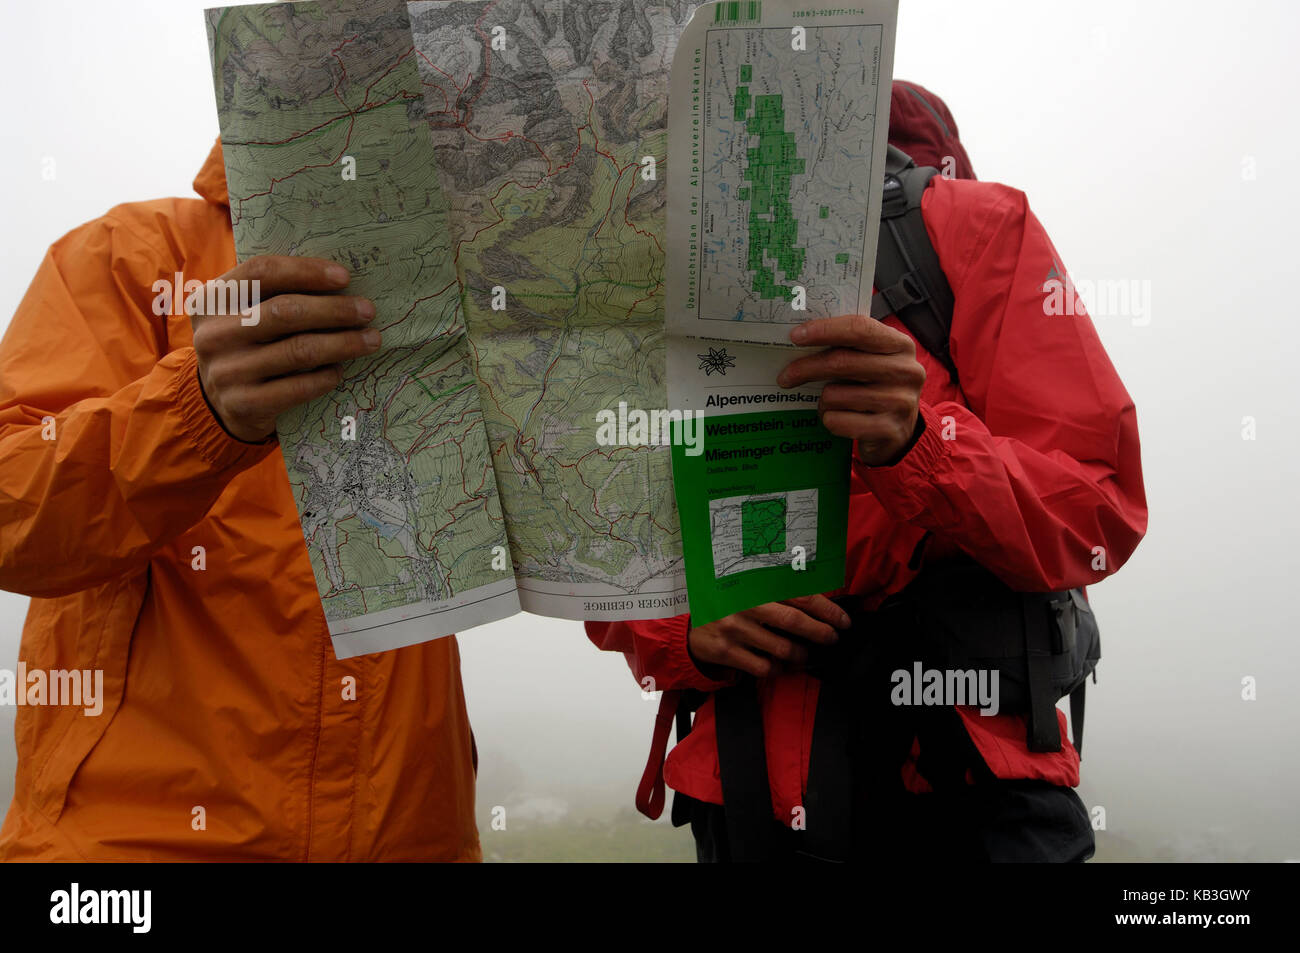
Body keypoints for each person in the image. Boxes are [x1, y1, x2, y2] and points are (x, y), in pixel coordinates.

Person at [587, 81, 1148, 863]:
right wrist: (681, 628)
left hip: (966, 793)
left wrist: (922, 445)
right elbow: (588, 536)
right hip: (747, 798)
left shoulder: (980, 228)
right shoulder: (643, 280)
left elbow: (1099, 509)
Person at [0, 139, 480, 861]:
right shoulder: (131, 255)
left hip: (414, 831)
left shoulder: (467, 285)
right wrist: (194, 411)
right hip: (132, 849)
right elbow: (12, 514)